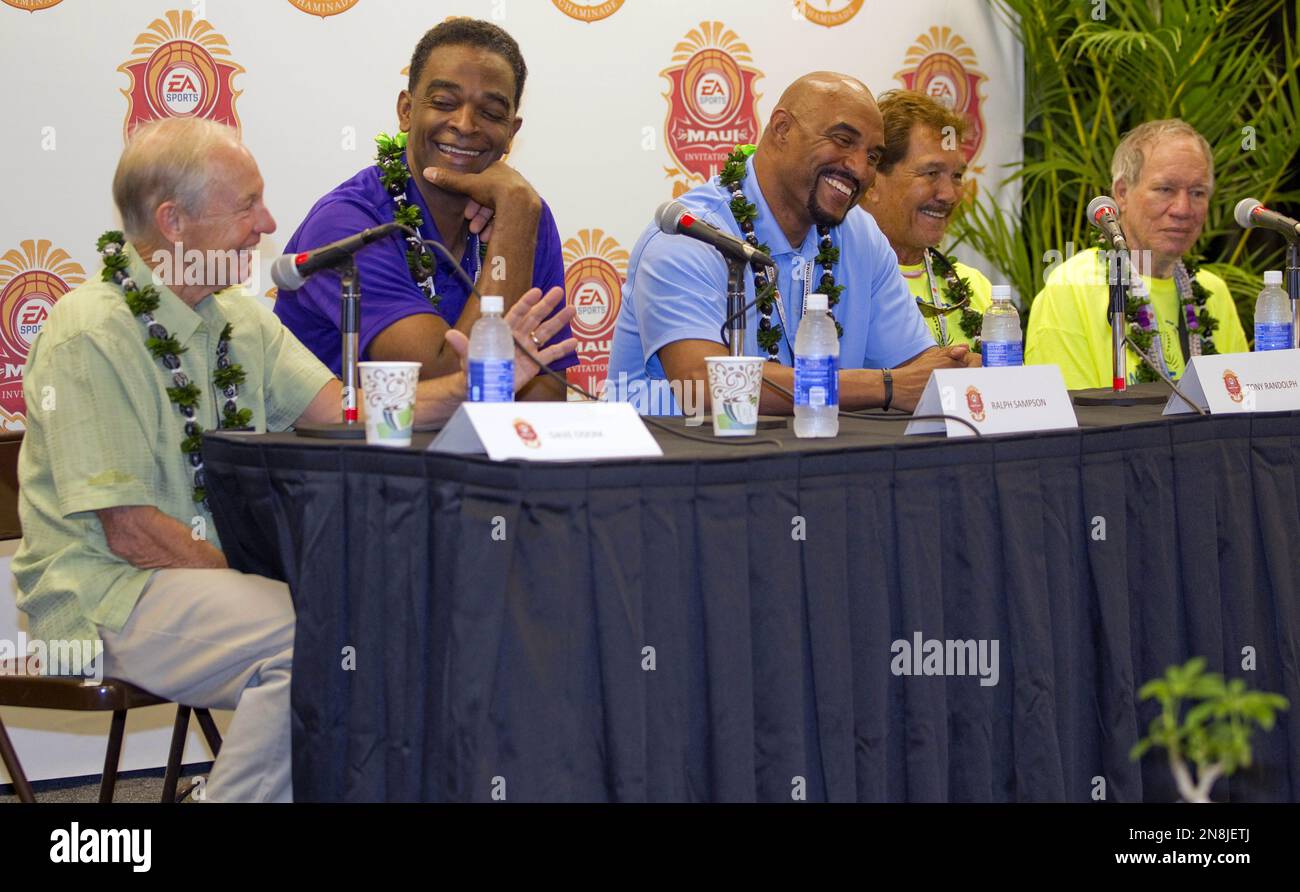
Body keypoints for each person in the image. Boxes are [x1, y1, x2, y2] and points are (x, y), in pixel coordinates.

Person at [11, 117, 574, 802]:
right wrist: (263, 575)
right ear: (173, 221)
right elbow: (130, 532)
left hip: (195, 581)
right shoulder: (88, 331)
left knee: (357, 618)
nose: (268, 223)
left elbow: (347, 413)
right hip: (106, 590)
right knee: (313, 634)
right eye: (247, 205)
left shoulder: (240, 319)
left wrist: (475, 383)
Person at [606, 72, 977, 417]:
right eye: (843, 140)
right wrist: (885, 386)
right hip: (675, 457)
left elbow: (916, 370)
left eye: (872, 156)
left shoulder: (860, 236)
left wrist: (965, 370)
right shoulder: (691, 234)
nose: (860, 168)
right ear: (782, 129)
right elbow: (702, 383)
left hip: (814, 456)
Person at [274, 18, 574, 398]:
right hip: (358, 438)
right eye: (444, 103)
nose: (465, 125)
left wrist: (516, 220)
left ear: (511, 134)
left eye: (490, 113)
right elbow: (440, 382)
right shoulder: (348, 224)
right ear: (406, 111)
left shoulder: (524, 213)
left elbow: (546, 394)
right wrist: (515, 221)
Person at [1025, 119, 1248, 388]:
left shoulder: (1213, 291)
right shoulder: (1072, 287)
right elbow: (1072, 411)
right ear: (1122, 193)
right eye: (1165, 189)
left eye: (1197, 193)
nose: (1183, 208)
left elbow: (1241, 402)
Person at [859, 90, 992, 351]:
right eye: (931, 173)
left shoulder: (975, 286)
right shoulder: (836, 279)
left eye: (957, 176)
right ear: (872, 181)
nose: (949, 195)